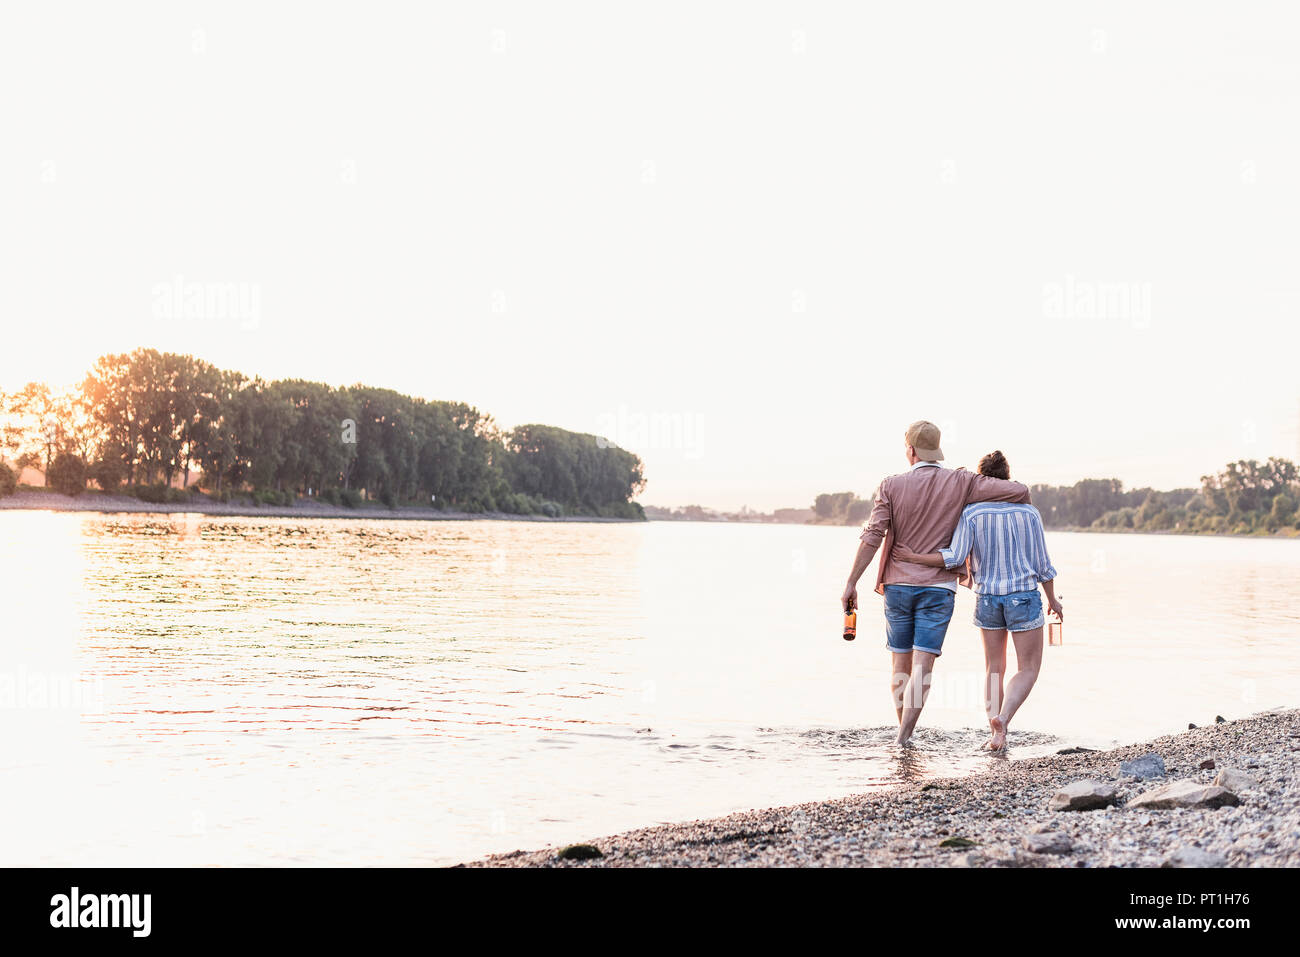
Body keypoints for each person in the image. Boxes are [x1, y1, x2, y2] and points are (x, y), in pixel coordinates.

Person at [841, 422, 1031, 746]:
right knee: (922, 666)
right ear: (936, 450)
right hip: (938, 589)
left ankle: (903, 738)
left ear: (911, 450)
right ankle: (905, 738)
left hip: (898, 586)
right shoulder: (961, 481)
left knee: (899, 665)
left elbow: (873, 536)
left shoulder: (891, 485)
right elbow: (1020, 491)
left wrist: (851, 582)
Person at [893, 450, 1062, 752]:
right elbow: (1043, 564)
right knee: (1028, 669)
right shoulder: (1029, 513)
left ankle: (994, 730)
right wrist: (1053, 600)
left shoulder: (971, 514)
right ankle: (1004, 721)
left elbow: (955, 557)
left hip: (986, 599)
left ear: (981, 478)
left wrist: (913, 556)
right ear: (1007, 478)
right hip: (1023, 596)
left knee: (993, 669)